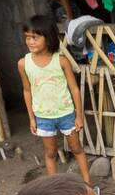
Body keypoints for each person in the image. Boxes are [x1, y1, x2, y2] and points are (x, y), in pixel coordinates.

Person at [19, 15, 90, 182]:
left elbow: (74, 88)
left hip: (66, 114)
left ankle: (87, 185)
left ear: (48, 38)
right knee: (50, 153)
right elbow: (27, 91)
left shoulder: (61, 61)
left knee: (76, 148)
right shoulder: (23, 64)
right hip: (43, 117)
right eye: (27, 37)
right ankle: (54, 189)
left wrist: (79, 116)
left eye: (35, 37)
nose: (30, 41)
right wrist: (31, 118)